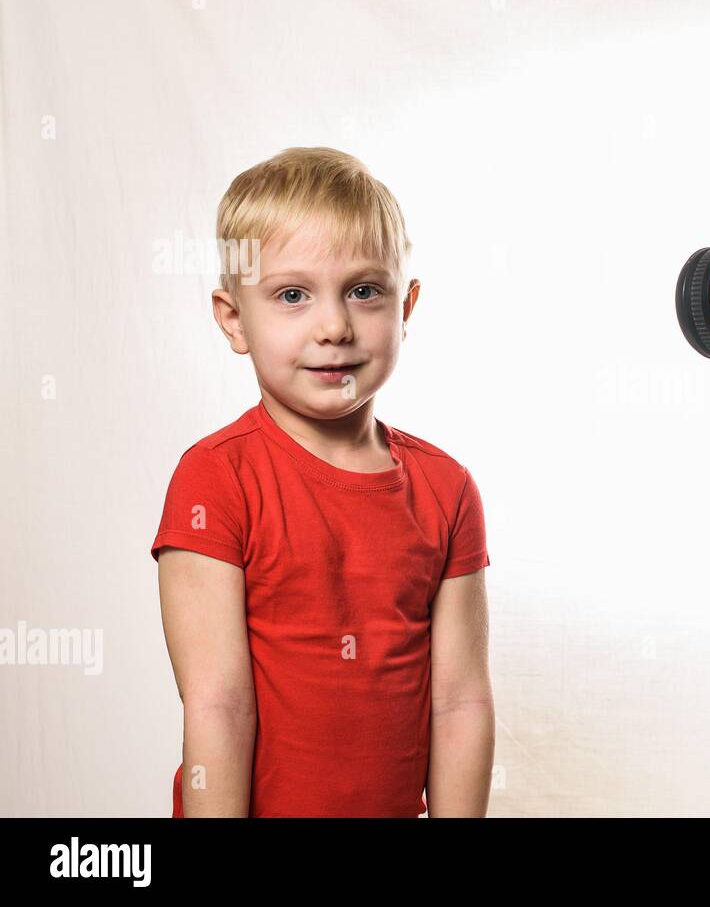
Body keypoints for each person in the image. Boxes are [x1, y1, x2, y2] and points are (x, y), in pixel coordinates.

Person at [151, 147, 493, 816]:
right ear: (233, 319)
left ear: (407, 306)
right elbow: (217, 703)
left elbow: (461, 704)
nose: (334, 326)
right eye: (292, 295)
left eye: (364, 291)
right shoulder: (215, 479)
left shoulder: (448, 491)